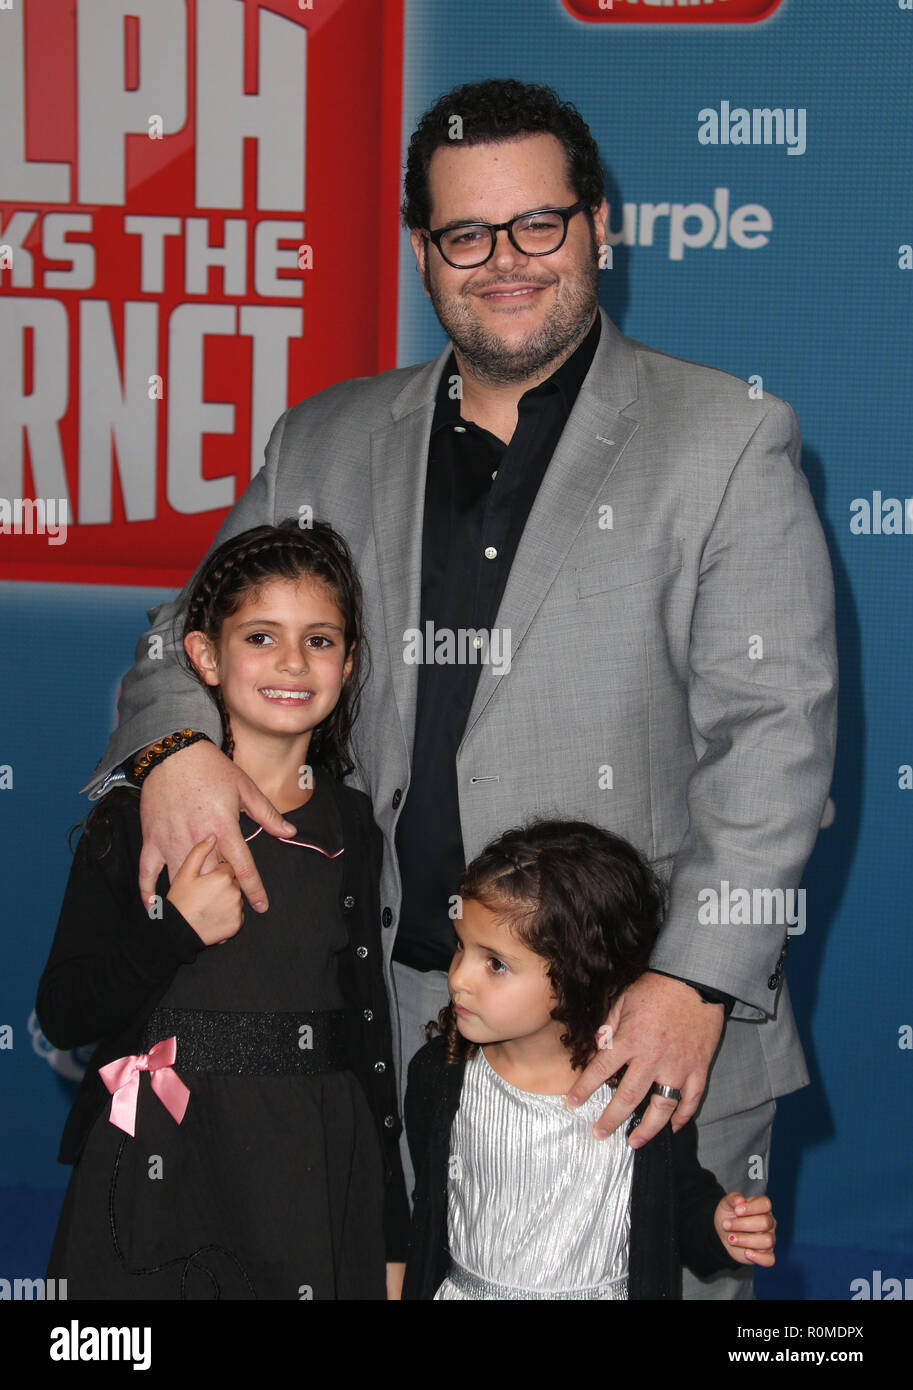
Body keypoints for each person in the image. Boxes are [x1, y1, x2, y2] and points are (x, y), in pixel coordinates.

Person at [84, 79, 837, 1298]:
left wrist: (695, 981)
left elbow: (776, 740)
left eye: (538, 224)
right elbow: (185, 632)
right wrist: (173, 754)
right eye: (466, 235)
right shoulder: (322, 439)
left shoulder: (724, 438)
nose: (506, 262)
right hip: (384, 1036)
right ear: (421, 253)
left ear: (598, 224)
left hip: (633, 1034)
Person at [38, 520, 408, 1300]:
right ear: (204, 655)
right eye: (261, 637)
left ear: (348, 660)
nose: (292, 663)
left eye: (320, 640)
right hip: (158, 1168)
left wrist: (389, 1227)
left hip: (311, 1180)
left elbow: (369, 1038)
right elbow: (66, 1011)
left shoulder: (358, 830)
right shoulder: (139, 818)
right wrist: (173, 930)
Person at [403, 820, 776, 1300]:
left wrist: (720, 1229)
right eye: (461, 946)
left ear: (579, 974)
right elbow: (430, 1215)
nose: (458, 978)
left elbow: (677, 1203)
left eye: (495, 963)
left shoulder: (640, 1090)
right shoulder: (441, 1073)